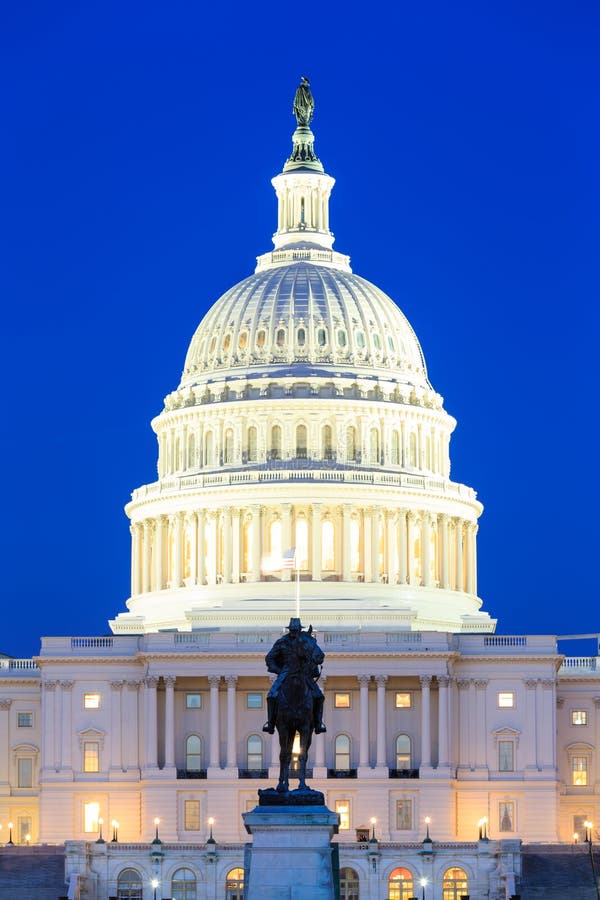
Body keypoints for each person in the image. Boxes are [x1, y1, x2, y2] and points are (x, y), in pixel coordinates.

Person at [263, 617, 326, 734]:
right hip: (286, 672)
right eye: (293, 630)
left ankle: (318, 723)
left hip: (303, 673)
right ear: (290, 630)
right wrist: (279, 670)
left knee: (319, 696)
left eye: (296, 630)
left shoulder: (305, 641)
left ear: (299, 630)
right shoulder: (282, 642)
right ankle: (270, 723)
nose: (295, 633)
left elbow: (315, 655)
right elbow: (269, 658)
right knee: (271, 695)